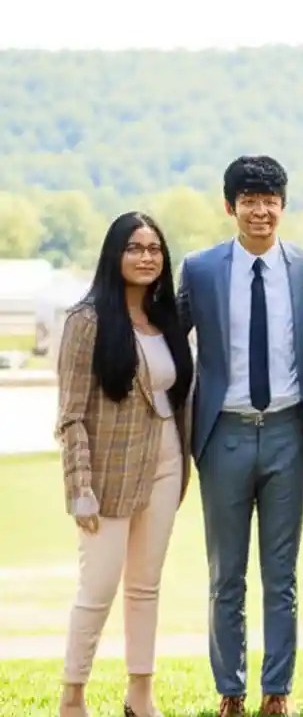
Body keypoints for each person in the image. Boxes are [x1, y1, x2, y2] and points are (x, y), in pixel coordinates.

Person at [176, 155, 303, 717]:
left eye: (269, 200)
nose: (260, 210)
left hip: (291, 432)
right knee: (225, 574)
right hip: (225, 435)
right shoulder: (200, 269)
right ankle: (231, 691)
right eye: (248, 200)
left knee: (282, 573)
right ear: (230, 206)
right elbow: (171, 341)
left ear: (283, 206)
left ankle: (277, 691)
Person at [54, 212, 194, 717]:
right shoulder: (85, 320)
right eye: (134, 248)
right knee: (98, 586)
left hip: (166, 461)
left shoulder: (164, 321)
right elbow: (70, 415)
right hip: (108, 473)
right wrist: (80, 486)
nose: (146, 257)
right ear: (115, 255)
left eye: (154, 248)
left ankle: (140, 694)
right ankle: (73, 695)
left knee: (145, 585)